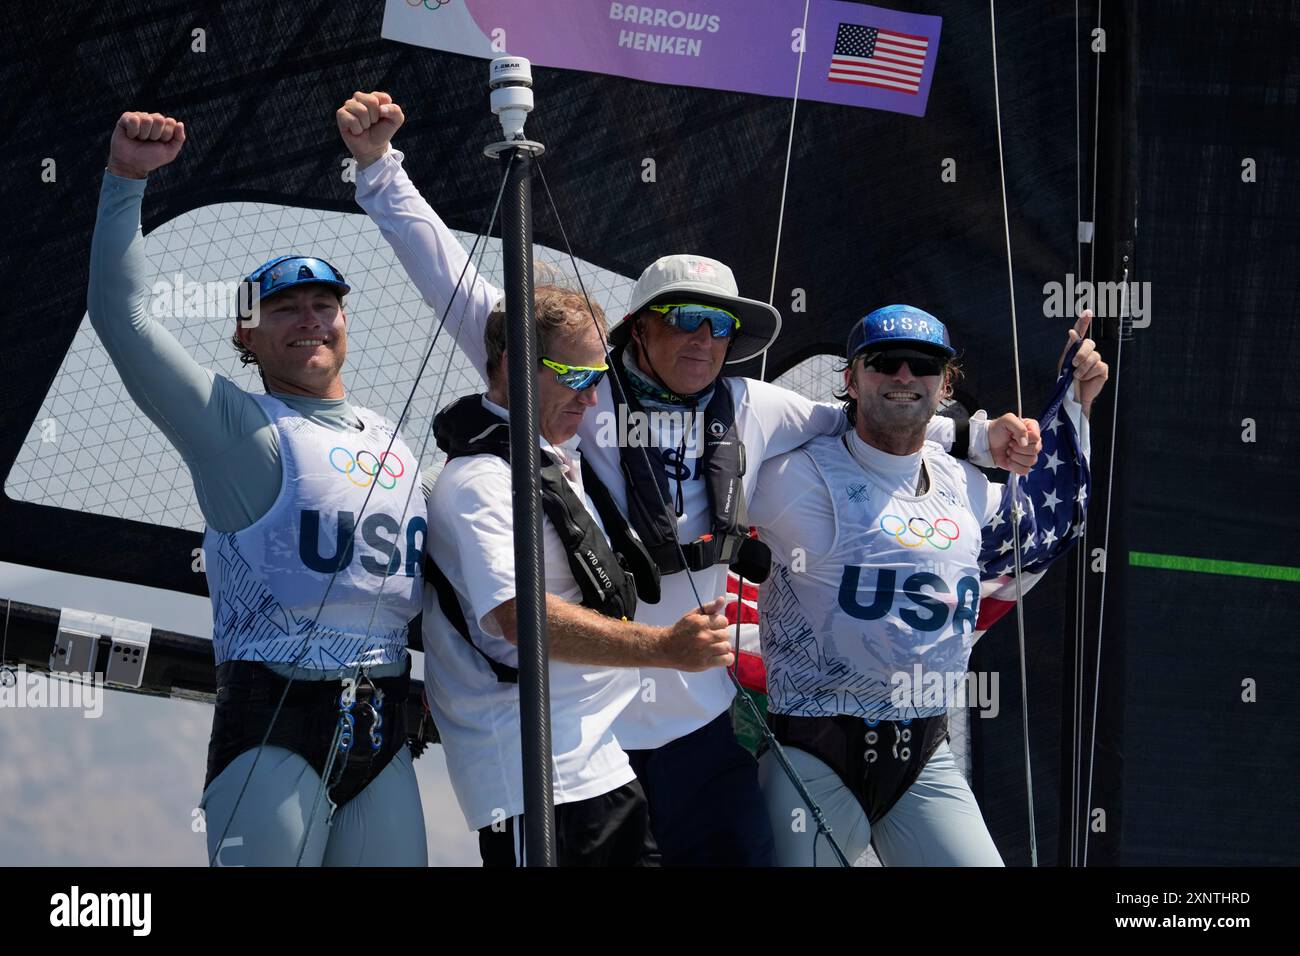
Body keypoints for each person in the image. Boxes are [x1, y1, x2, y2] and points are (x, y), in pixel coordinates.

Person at [337, 90, 1041, 865]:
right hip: (590, 729)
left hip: (698, 716)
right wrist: (378, 169)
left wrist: (975, 433)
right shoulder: (573, 382)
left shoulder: (757, 406)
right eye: (685, 319)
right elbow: (457, 287)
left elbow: (872, 416)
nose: (707, 340)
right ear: (639, 326)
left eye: (722, 325)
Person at [90, 111, 427, 866]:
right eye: (282, 309)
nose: (308, 321)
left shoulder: (395, 440)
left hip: (384, 732)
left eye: (323, 305)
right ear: (246, 336)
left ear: (345, 319)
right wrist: (126, 182)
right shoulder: (233, 426)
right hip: (273, 725)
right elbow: (124, 320)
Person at [749, 305, 1108, 865]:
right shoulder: (792, 476)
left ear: (945, 384)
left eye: (923, 364)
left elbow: (1043, 522)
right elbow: (708, 463)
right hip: (810, 756)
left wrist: (1076, 401)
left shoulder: (964, 481)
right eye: (884, 362)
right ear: (849, 378)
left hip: (921, 760)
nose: (903, 376)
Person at [425, 287, 739, 866]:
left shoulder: (554, 460)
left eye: (598, 376)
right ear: (512, 364)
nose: (593, 398)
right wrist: (665, 647)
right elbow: (517, 617)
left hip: (599, 764)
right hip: (535, 780)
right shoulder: (480, 483)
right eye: (575, 375)